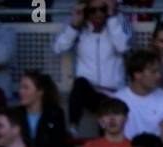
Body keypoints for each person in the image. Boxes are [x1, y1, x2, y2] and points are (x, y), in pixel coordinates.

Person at [52, 0, 130, 128]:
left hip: (114, 93)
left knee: (108, 112)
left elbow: (123, 47)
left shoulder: (119, 21)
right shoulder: (77, 25)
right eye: (92, 10)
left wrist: (111, 19)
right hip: (89, 91)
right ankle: (73, 128)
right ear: (86, 11)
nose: (98, 13)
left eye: (103, 9)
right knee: (79, 83)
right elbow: (58, 48)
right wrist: (75, 26)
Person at [114, 50, 163, 140]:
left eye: (159, 71)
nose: (159, 76)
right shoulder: (118, 99)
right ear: (137, 74)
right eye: (153, 72)